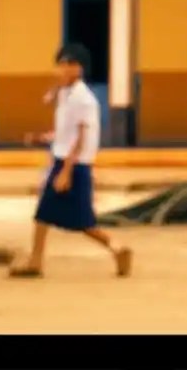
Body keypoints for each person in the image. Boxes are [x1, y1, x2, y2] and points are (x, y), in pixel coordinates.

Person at [10, 43, 132, 279]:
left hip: (73, 165)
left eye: (68, 65)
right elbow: (64, 133)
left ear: (79, 68)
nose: (62, 70)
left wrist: (65, 171)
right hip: (64, 161)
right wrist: (42, 137)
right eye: (60, 65)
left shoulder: (83, 99)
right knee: (51, 216)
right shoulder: (67, 95)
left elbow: (80, 138)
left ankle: (116, 249)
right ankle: (37, 261)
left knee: (77, 221)